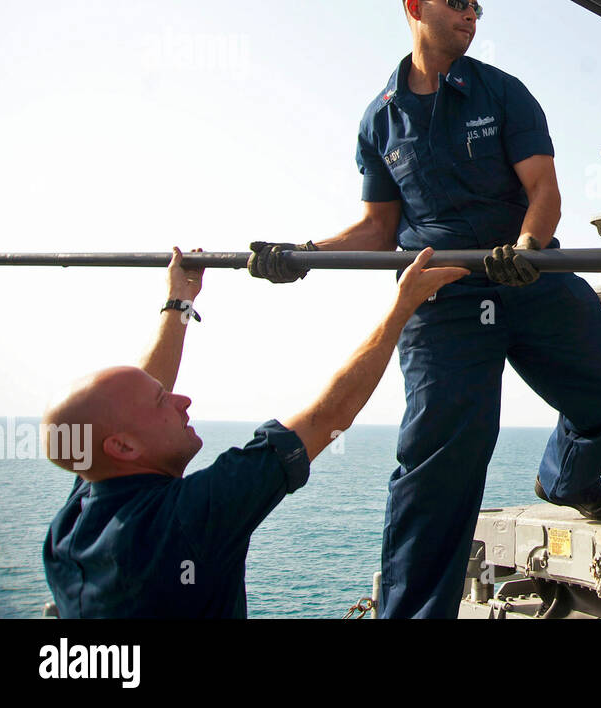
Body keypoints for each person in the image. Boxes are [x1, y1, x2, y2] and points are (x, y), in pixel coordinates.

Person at [248, 0, 601, 618]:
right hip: (443, 297)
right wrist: (302, 254)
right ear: (415, 7)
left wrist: (526, 249)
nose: (471, 16)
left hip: (527, 274)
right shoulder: (381, 121)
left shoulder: (502, 93)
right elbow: (379, 229)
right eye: (458, 3)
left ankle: (568, 477)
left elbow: (543, 190)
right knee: (441, 462)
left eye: (476, 9)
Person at [42, 246, 467, 617]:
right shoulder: (191, 517)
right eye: (162, 402)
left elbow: (128, 403)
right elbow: (328, 416)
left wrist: (179, 303)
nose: (181, 400)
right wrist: (402, 306)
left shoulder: (75, 522)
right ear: (123, 446)